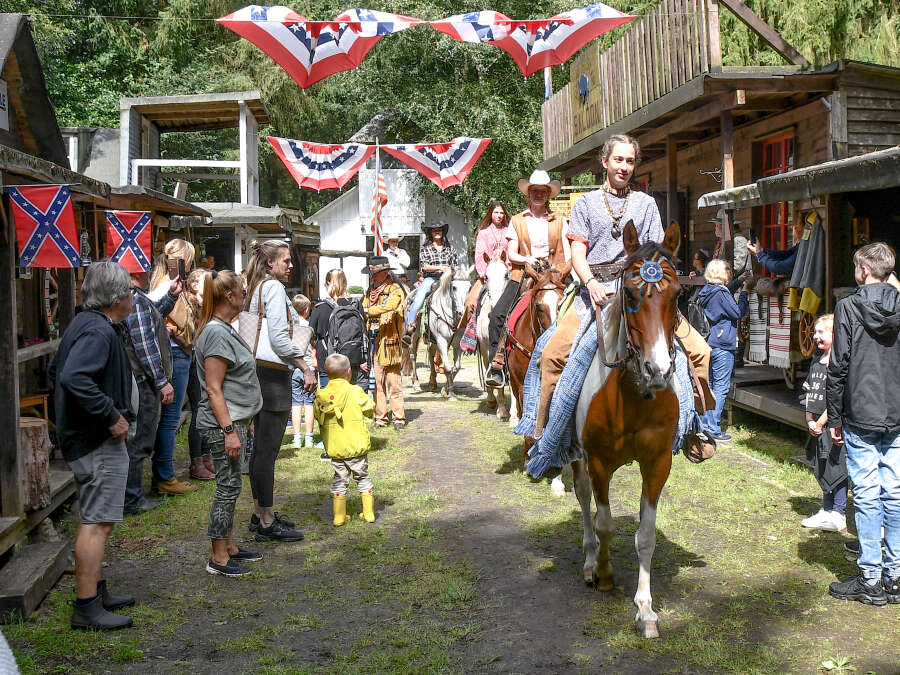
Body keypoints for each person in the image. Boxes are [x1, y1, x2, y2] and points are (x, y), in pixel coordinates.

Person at [532, 135, 714, 445]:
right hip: (595, 294)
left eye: (630, 161)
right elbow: (577, 253)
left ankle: (690, 425)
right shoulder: (586, 203)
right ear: (605, 161)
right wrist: (590, 283)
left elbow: (657, 253)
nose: (624, 167)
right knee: (551, 356)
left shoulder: (646, 204)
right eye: (618, 160)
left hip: (640, 294)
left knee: (700, 351)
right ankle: (547, 438)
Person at [49, 261, 136, 630]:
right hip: (96, 441)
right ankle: (86, 607)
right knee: (97, 522)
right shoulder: (97, 331)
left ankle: (95, 591)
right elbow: (72, 377)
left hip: (87, 437)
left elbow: (55, 372)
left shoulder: (85, 323)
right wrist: (109, 415)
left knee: (99, 519)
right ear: (116, 299)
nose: (133, 296)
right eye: (130, 291)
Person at [827, 242, 900, 606]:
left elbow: (838, 363)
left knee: (869, 494)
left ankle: (871, 578)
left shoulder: (848, 306)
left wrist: (834, 415)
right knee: (895, 492)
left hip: (860, 410)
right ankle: (895, 576)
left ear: (864, 270)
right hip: (895, 410)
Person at [194, 270, 264, 577]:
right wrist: (228, 432)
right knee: (227, 486)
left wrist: (244, 420)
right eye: (242, 291)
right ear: (229, 296)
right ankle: (218, 557)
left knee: (233, 484)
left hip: (234, 421)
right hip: (222, 425)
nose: (246, 296)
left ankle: (230, 546)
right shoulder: (216, 333)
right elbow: (213, 388)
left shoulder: (224, 328)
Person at [244, 240, 313, 542]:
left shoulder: (257, 286)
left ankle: (260, 511)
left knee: (261, 449)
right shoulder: (272, 288)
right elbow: (279, 339)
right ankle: (267, 520)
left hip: (260, 373)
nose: (291, 265)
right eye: (285, 260)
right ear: (270, 263)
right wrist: (304, 366)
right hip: (272, 376)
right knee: (267, 451)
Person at [485, 173, 569, 387]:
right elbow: (512, 253)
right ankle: (497, 365)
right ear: (528, 194)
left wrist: (562, 271)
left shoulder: (560, 220)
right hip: (524, 273)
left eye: (543, 191)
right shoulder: (517, 220)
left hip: (554, 275)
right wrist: (527, 259)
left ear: (548, 195)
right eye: (535, 191)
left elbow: (567, 252)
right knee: (497, 315)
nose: (539, 195)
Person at [122, 265, 183, 514]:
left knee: (142, 437)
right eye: (146, 268)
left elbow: (153, 317)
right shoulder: (135, 300)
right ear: (137, 273)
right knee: (140, 439)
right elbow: (144, 344)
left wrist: (171, 297)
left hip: (142, 378)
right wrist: (161, 380)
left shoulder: (138, 299)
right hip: (142, 379)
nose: (151, 272)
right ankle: (132, 499)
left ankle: (133, 496)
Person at [148, 239, 199, 494]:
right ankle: (165, 477)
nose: (190, 265)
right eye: (188, 259)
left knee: (169, 418)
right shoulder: (166, 286)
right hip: (175, 353)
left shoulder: (165, 284)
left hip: (179, 352)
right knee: (170, 419)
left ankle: (164, 474)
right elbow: (160, 321)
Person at [314, 354, 376, 526]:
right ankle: (369, 513)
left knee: (339, 480)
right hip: (356, 446)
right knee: (363, 477)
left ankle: (339, 517)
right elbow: (370, 408)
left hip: (336, 448)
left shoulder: (321, 395)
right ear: (349, 372)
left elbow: (317, 416)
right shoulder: (355, 391)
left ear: (327, 373)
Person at [800, 314, 848, 532]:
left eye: (821, 332)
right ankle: (826, 508)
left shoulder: (838, 363)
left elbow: (837, 397)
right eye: (815, 332)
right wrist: (809, 419)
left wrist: (821, 422)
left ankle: (838, 512)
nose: (815, 336)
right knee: (821, 464)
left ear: (834, 334)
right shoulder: (816, 360)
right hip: (816, 424)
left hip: (832, 424)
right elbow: (809, 391)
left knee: (836, 466)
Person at [696, 260, 750, 442]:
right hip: (724, 344)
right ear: (722, 273)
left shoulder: (709, 290)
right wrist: (744, 292)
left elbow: (724, 297)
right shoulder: (720, 292)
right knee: (721, 387)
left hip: (711, 342)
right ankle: (713, 428)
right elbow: (737, 312)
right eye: (728, 271)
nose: (730, 273)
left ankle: (705, 424)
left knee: (712, 385)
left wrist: (738, 282)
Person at [362, 256, 406, 429]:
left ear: (385, 272)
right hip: (374, 340)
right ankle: (380, 417)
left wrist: (368, 310)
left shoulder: (395, 290)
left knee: (394, 382)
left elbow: (390, 306)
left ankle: (399, 417)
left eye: (375, 273)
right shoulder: (370, 290)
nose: (372, 276)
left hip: (390, 341)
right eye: (372, 273)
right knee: (378, 382)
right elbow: (364, 306)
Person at [309, 269, 369, 390]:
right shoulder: (356, 305)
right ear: (345, 283)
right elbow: (363, 333)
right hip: (354, 362)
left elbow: (311, 334)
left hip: (329, 363)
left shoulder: (320, 308)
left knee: (331, 399)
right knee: (352, 399)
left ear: (328, 284)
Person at [458, 201, 511, 332]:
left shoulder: (509, 231)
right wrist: (484, 274)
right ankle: (473, 334)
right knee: (470, 302)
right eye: (496, 212)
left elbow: (511, 251)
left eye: (501, 213)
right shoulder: (483, 233)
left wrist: (508, 268)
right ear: (490, 214)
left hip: (506, 273)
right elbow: (479, 255)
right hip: (488, 275)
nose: (499, 215)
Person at [404, 222, 460, 340]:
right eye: (434, 230)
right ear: (431, 233)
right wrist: (440, 267)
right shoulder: (425, 249)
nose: (437, 232)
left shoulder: (450, 248)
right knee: (418, 299)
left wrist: (450, 270)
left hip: (449, 279)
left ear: (443, 232)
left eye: (439, 230)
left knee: (462, 296)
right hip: (431, 278)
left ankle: (465, 326)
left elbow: (455, 265)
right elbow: (425, 266)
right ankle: (410, 327)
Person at [184, 269, 215, 481]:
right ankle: (196, 461)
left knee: (206, 407)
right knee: (198, 410)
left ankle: (206, 455)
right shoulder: (187, 303)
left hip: (201, 358)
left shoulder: (206, 305)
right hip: (191, 358)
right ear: (194, 285)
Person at [289, 294, 320, 449]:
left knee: (296, 403)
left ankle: (296, 437)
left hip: (294, 368)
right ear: (307, 309)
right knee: (308, 403)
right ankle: (309, 437)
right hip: (309, 368)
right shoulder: (309, 327)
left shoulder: (290, 327)